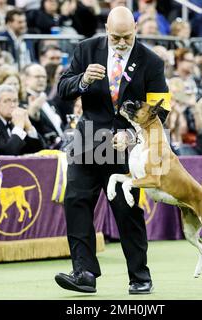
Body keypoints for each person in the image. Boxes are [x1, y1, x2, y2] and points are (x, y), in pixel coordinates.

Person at [54, 6, 169, 295]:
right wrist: (82, 81)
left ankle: (140, 277)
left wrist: (132, 135)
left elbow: (162, 109)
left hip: (124, 146)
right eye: (116, 36)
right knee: (75, 201)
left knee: (127, 211)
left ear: (135, 31)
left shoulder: (152, 61)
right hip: (87, 139)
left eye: (127, 37)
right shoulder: (85, 49)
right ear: (106, 28)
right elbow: (62, 89)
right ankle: (84, 273)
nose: (121, 42)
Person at [0, 84, 46, 155]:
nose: (12, 105)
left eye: (15, 101)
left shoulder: (15, 120)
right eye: (7, 101)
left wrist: (29, 127)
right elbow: (8, 153)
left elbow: (40, 151)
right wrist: (18, 127)